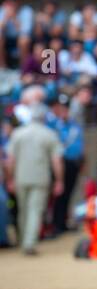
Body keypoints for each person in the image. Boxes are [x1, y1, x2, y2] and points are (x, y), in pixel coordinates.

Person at [5, 101, 64, 255]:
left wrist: (10, 179)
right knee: (35, 211)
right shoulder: (49, 134)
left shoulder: (17, 133)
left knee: (24, 210)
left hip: (20, 178)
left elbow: (10, 160)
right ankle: (29, 242)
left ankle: (24, 240)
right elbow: (56, 161)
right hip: (40, 178)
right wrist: (59, 180)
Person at [48, 93, 83, 234]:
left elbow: (79, 144)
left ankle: (62, 222)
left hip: (73, 163)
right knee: (58, 194)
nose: (63, 110)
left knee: (68, 193)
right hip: (59, 163)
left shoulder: (73, 124)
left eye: (65, 107)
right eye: (60, 107)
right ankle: (55, 224)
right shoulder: (52, 125)